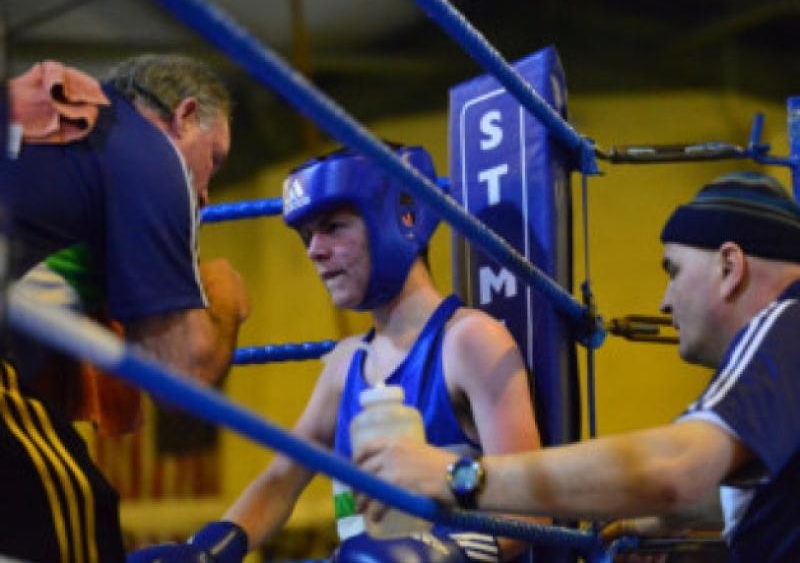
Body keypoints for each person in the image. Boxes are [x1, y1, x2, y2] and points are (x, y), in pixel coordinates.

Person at [356, 171, 800, 562]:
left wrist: (453, 476)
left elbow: (678, 467)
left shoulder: (788, 322)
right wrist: (645, 517)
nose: (665, 301)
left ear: (730, 266)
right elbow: (754, 486)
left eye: (674, 270)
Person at [129, 144, 542, 563]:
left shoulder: (468, 341)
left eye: (334, 226)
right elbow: (280, 479)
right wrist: (209, 550)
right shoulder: (345, 364)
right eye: (308, 235)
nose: (314, 250)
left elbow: (532, 508)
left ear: (406, 217)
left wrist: (440, 554)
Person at [0, 55, 249, 562]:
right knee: (79, 514)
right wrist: (224, 301)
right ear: (183, 116)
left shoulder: (78, 147)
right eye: (215, 160)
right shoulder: (150, 153)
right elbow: (183, 376)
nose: (205, 192)